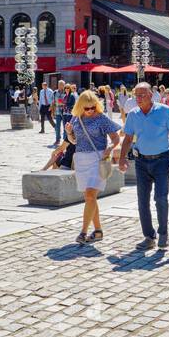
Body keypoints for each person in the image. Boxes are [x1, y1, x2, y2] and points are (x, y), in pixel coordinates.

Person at [118, 82, 169, 252]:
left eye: (142, 95)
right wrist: (122, 158)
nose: (138, 99)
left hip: (161, 160)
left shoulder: (164, 111)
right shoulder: (133, 114)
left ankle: (163, 234)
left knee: (161, 198)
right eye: (136, 95)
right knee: (142, 202)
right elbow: (127, 138)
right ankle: (148, 237)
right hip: (141, 162)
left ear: (150, 95)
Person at [65, 89, 122, 246]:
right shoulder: (76, 118)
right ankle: (98, 231)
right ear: (80, 106)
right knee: (90, 198)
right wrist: (69, 133)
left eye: (92, 107)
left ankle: (83, 232)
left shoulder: (101, 118)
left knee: (90, 196)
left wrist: (110, 149)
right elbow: (74, 141)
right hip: (81, 159)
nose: (90, 111)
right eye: (86, 108)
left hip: (98, 159)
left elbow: (116, 138)